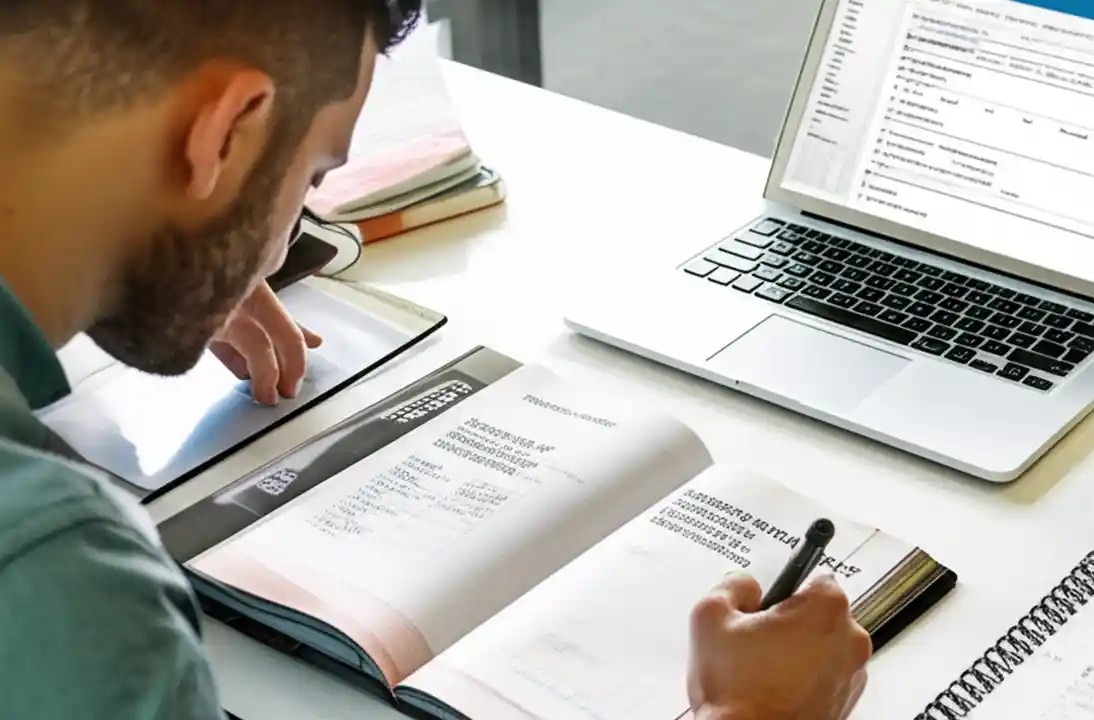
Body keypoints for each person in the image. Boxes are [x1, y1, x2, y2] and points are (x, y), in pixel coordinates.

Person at [0, 2, 872, 718]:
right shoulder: (67, 591)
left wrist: (161, 243)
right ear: (221, 134)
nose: (284, 244)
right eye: (307, 181)